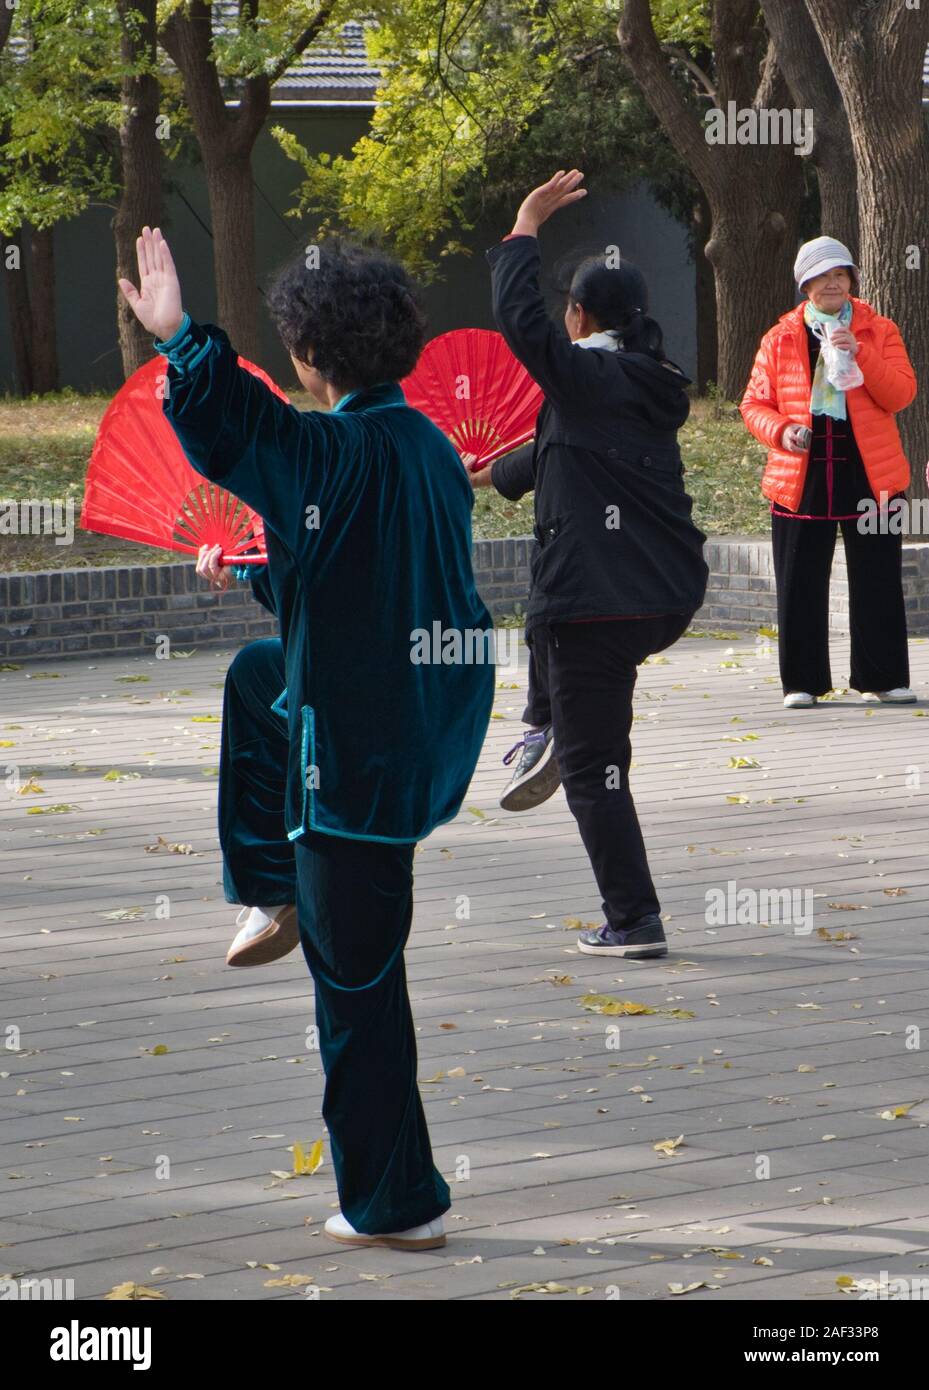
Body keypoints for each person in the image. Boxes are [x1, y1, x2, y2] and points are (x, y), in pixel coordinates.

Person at [119, 227, 494, 1251]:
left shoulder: (327, 446)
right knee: (254, 675)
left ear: (305, 353)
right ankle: (267, 884)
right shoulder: (421, 446)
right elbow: (348, 578)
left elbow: (244, 428)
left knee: (358, 990)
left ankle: (392, 1202)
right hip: (413, 728)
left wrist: (180, 338)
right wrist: (243, 570)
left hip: (358, 762)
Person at [471, 170, 709, 960]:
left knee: (594, 767)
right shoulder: (641, 379)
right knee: (560, 627)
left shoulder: (579, 372)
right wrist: (480, 476)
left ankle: (632, 919)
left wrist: (522, 229)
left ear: (577, 315)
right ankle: (544, 721)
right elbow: (555, 447)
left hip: (597, 603)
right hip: (664, 594)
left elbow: (517, 321)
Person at [741, 235, 917, 708]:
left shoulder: (878, 330)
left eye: (841, 274)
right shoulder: (779, 338)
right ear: (805, 285)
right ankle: (802, 682)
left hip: (871, 472)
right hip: (802, 471)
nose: (832, 283)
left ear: (852, 280)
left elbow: (901, 394)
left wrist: (861, 355)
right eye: (822, 276)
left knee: (878, 576)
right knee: (799, 579)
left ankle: (884, 677)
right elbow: (754, 403)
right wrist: (781, 432)